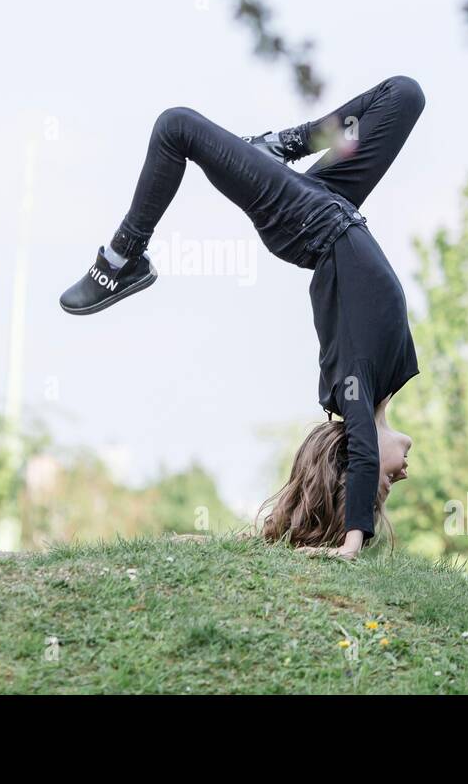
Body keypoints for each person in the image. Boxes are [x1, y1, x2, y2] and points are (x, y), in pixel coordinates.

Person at [60, 75, 425, 559]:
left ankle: (122, 259)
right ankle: (279, 147)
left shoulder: (353, 385)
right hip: (334, 202)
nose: (402, 474)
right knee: (405, 95)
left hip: (306, 224)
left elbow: (362, 447)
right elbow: (364, 448)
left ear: (359, 460)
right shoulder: (391, 376)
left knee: (177, 128)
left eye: (385, 481)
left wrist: (353, 542)